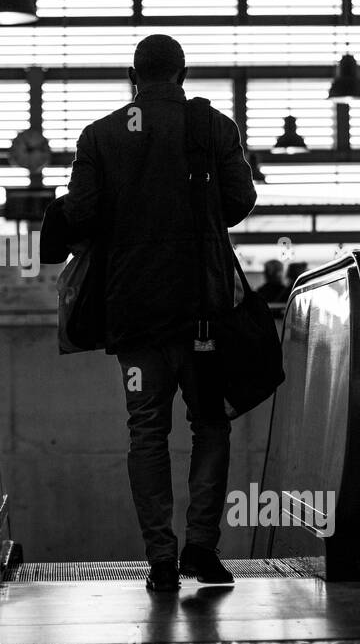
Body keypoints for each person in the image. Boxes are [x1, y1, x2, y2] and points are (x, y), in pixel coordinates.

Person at [62, 33, 258, 592]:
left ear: (133, 74)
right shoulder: (214, 127)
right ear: (183, 72)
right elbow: (240, 203)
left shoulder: (99, 135)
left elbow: (82, 214)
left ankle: (161, 561)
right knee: (211, 423)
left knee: (146, 430)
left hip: (135, 314)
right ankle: (202, 547)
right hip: (203, 309)